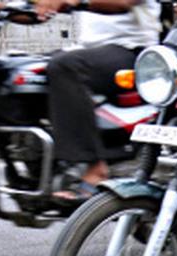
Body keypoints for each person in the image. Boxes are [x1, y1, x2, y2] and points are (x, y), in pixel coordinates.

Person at [35, 0, 161, 202]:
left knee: (64, 67)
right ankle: (43, 163)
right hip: (84, 49)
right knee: (26, 68)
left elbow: (124, 3)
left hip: (132, 51)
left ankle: (95, 168)